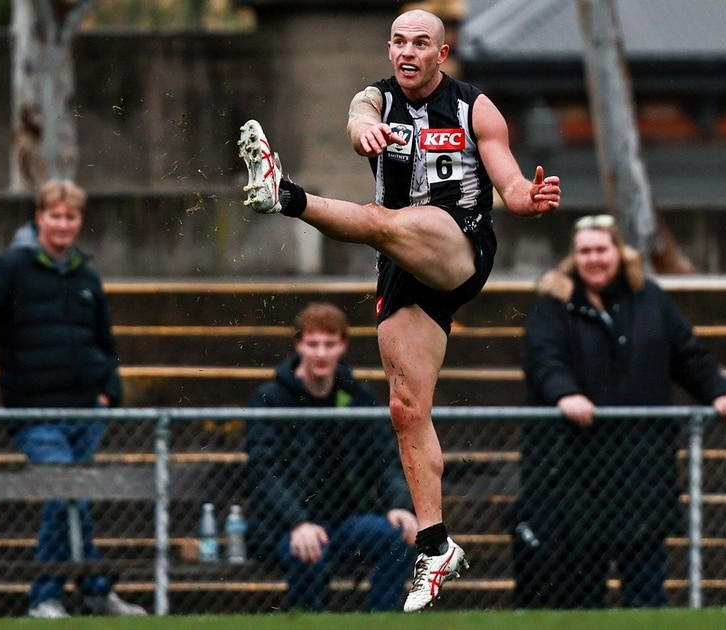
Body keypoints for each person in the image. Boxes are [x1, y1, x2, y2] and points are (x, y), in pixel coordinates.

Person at [237, 8, 561, 611]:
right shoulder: (375, 98)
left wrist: (528, 197)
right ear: (389, 49)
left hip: (458, 244)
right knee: (406, 408)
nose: (408, 52)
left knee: (381, 220)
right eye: (399, 42)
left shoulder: (476, 108)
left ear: (442, 53)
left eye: (421, 43)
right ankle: (435, 545)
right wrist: (364, 131)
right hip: (401, 264)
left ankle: (285, 194)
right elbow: (359, 119)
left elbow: (510, 184)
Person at [0, 179, 146, 619]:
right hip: (36, 414)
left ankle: (92, 590)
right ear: (39, 218)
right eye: (55, 216)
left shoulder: (86, 276)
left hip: (87, 412)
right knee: (63, 491)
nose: (63, 224)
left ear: (79, 221)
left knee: (75, 498)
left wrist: (110, 392)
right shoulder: (8, 268)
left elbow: (105, 343)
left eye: (71, 217)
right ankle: (46, 596)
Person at [513, 214, 726, 609]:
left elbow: (688, 355)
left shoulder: (650, 300)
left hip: (642, 473)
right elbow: (543, 358)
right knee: (580, 600)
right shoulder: (554, 306)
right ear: (574, 257)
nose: (594, 259)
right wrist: (565, 394)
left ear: (619, 253)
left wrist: (721, 393)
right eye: (585, 251)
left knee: (646, 594)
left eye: (601, 249)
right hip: (577, 474)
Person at [246, 302, 419, 612]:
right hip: (284, 527)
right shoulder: (270, 398)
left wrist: (399, 506)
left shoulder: (357, 398)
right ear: (298, 345)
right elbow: (265, 472)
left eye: (330, 344)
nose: (321, 353)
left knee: (401, 537)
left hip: (345, 522)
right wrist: (298, 523)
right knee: (309, 551)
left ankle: (380, 621)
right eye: (313, 344)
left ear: (343, 345)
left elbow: (384, 461)